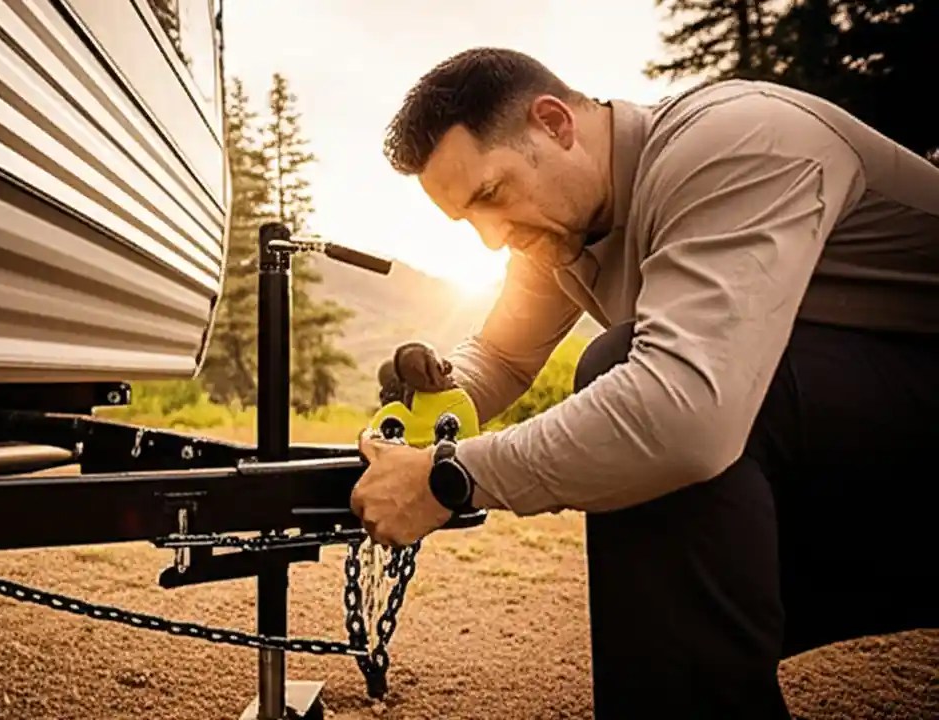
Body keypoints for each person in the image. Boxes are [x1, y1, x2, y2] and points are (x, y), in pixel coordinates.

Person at [348, 47, 939, 719]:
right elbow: (503, 358)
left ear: (554, 123)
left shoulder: (735, 138)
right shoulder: (560, 234)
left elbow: (683, 415)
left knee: (637, 386)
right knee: (643, 420)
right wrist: (440, 387)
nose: (490, 238)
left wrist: (445, 478)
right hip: (872, 450)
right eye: (469, 219)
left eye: (491, 194)